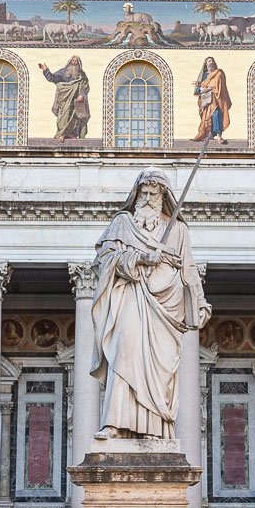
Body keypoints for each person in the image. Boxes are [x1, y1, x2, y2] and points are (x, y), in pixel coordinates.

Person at [91, 169, 210, 438]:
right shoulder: (123, 223)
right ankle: (114, 424)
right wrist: (142, 258)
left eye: (152, 194)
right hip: (131, 296)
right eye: (142, 193)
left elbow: (189, 270)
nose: (146, 199)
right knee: (125, 350)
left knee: (160, 369)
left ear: (163, 196)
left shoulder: (178, 230)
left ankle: (153, 429)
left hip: (166, 305)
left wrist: (200, 303)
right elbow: (104, 260)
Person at [38, 56, 90, 139]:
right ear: (70, 62)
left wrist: (82, 94)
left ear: (78, 63)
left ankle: (71, 134)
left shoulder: (81, 74)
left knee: (76, 117)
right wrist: (46, 70)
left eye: (76, 61)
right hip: (64, 99)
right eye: (73, 60)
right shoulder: (63, 72)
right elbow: (53, 78)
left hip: (76, 100)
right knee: (63, 116)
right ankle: (62, 133)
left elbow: (85, 86)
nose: (74, 62)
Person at [192, 57, 231, 143]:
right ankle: (209, 134)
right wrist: (202, 89)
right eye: (209, 61)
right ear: (206, 64)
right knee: (207, 117)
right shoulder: (204, 75)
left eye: (212, 61)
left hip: (217, 99)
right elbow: (198, 89)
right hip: (206, 101)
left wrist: (210, 88)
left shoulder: (219, 73)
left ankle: (219, 136)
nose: (211, 63)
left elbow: (221, 85)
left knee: (216, 114)